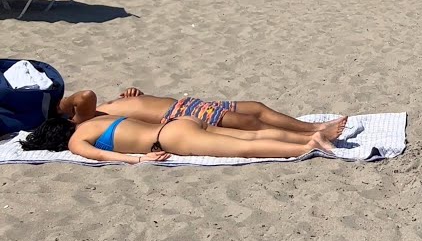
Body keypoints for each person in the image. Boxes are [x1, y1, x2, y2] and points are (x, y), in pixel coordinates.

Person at [20, 114, 333, 163]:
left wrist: (139, 158)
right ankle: (313, 132)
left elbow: (105, 156)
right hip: (177, 123)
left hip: (168, 137)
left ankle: (308, 144)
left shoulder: (77, 140)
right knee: (252, 134)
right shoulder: (94, 120)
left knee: (245, 147)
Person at [59, 87, 347, 140]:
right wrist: (59, 105)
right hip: (180, 114)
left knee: (256, 107)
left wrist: (136, 92)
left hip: (190, 103)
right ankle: (313, 133)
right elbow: (84, 96)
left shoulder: (102, 111)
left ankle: (310, 126)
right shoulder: (85, 120)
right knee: (248, 122)